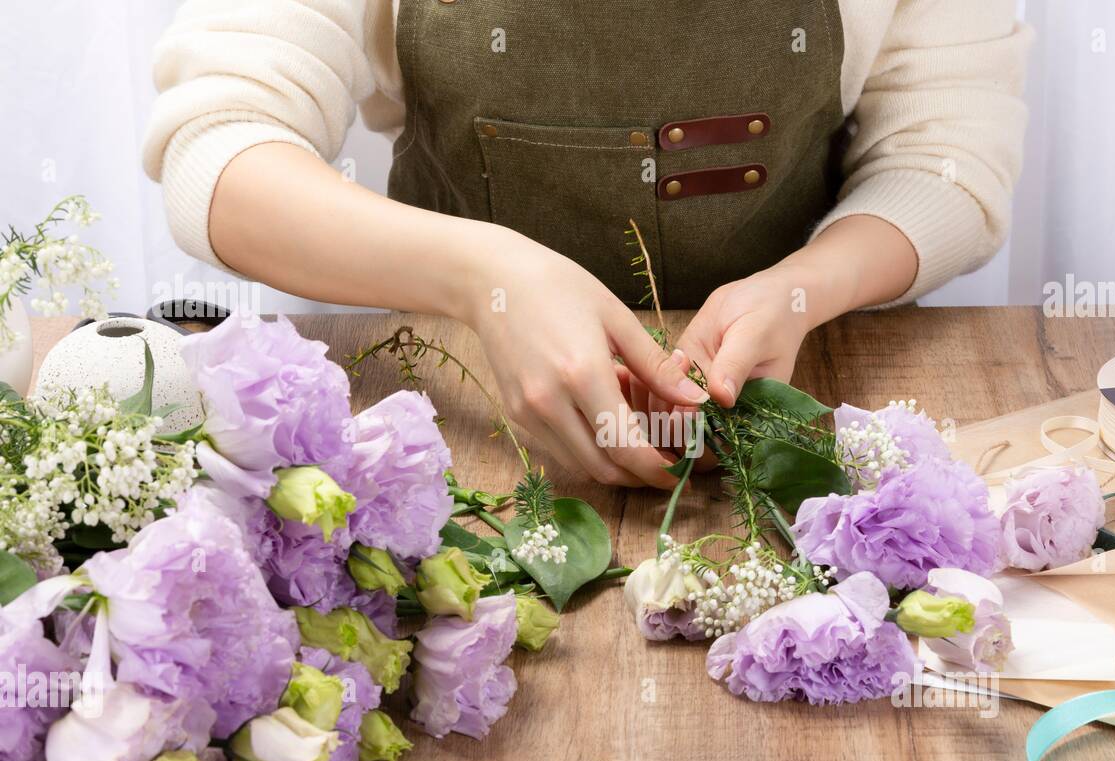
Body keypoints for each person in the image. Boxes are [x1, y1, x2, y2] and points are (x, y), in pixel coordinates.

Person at [144, 0, 1030, 489]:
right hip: (448, 438)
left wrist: (804, 289)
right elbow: (218, 150)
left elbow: (948, 160)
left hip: (786, 436)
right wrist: (488, 278)